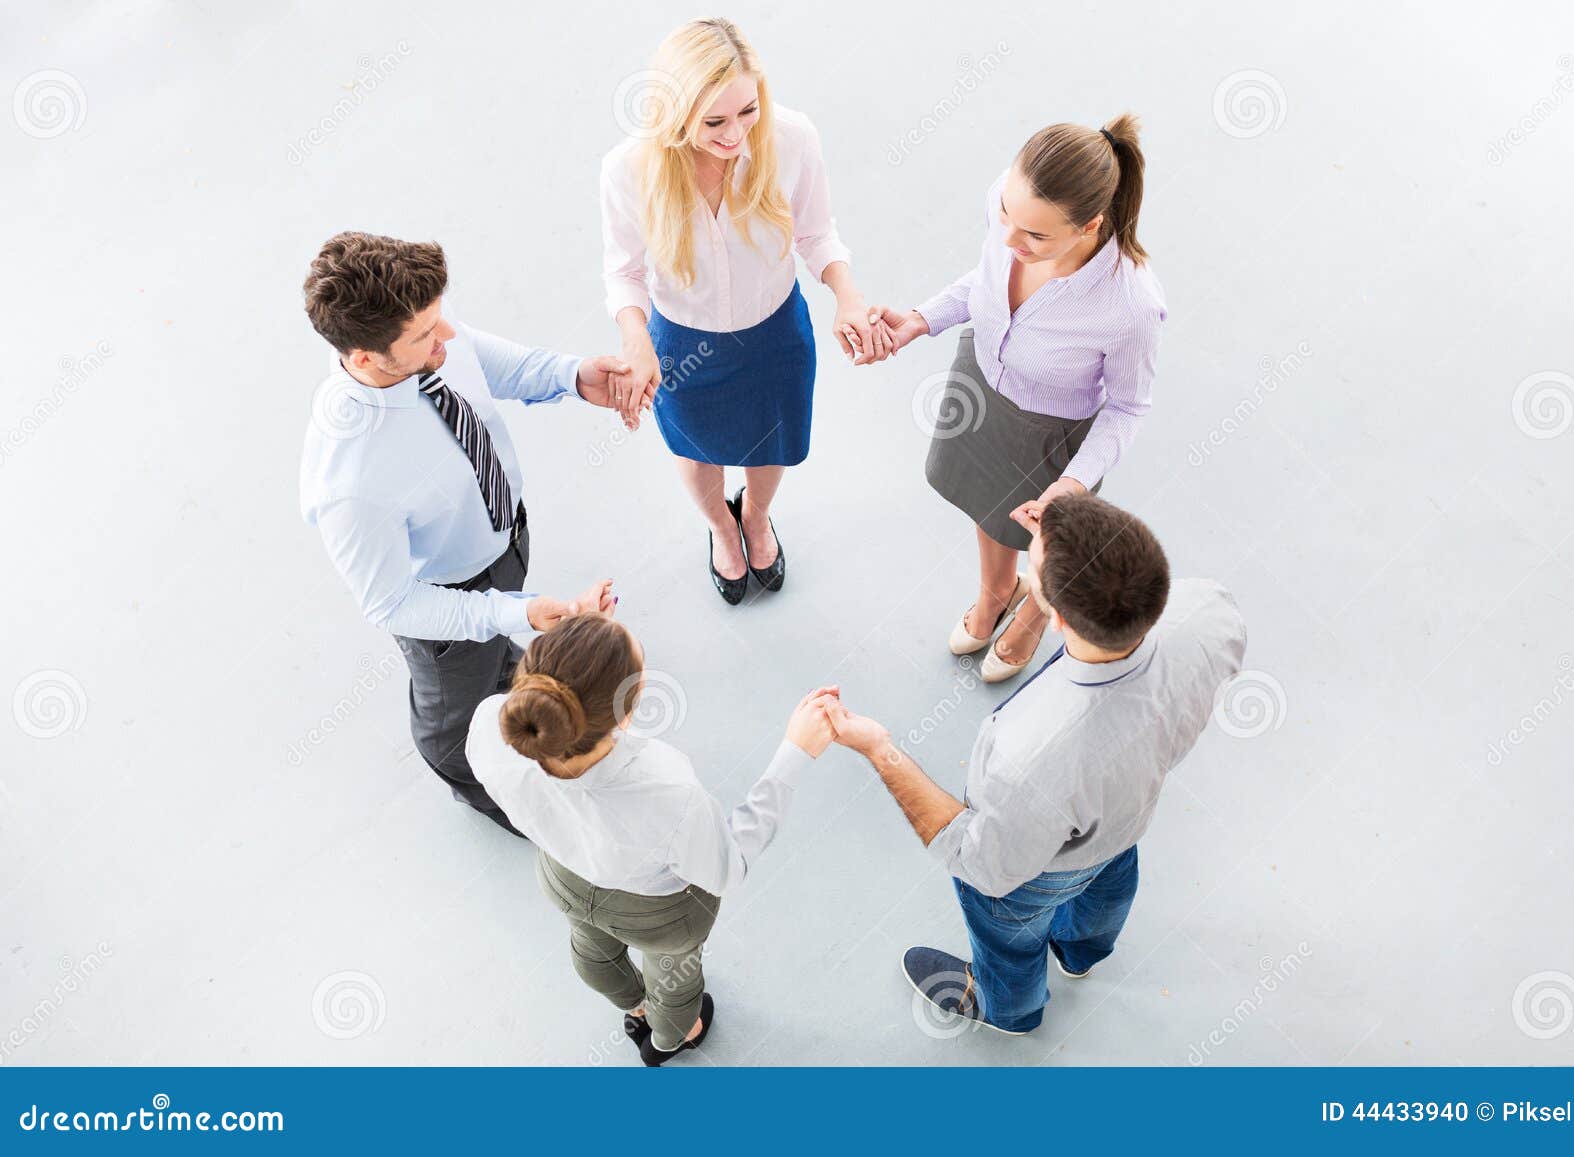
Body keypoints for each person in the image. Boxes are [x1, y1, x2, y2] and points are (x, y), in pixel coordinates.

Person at [819, 494, 1246, 1036]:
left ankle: (1011, 1010)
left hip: (1043, 869)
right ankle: (1081, 953)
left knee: (1007, 932)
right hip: (1126, 819)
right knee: (1110, 880)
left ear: (1056, 617)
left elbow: (984, 866)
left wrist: (880, 750)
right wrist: (1071, 538)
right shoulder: (1208, 607)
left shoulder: (1033, 752)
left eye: (1033, 563)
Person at [299, 231, 624, 836]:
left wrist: (575, 377)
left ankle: (508, 671)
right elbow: (392, 602)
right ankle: (503, 797)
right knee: (453, 725)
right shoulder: (350, 481)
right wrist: (509, 613)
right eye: (425, 334)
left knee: (504, 657)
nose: (447, 336)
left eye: (440, 319)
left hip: (503, 541)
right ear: (366, 357)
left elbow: (495, 363)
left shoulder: (426, 338)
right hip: (448, 602)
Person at [601, 17, 893, 605]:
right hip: (680, 341)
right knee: (695, 448)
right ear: (676, 113)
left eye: (748, 111)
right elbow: (624, 271)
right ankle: (720, 528)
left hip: (774, 332)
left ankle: (756, 518)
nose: (736, 134)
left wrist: (849, 296)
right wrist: (636, 341)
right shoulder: (628, 168)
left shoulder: (792, 137)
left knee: (771, 440)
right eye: (714, 121)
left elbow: (817, 234)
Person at [465, 613, 836, 1064]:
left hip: (563, 876)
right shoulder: (666, 789)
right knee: (673, 975)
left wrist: (586, 650)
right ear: (628, 710)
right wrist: (794, 754)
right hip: (656, 912)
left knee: (590, 946)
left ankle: (632, 1006)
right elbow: (727, 869)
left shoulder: (490, 724)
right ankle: (669, 1038)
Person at [879, 116, 1167, 682]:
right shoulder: (1010, 207)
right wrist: (921, 319)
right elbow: (983, 282)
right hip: (982, 383)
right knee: (987, 508)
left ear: (1090, 226)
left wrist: (1073, 482)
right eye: (1006, 215)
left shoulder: (1130, 304)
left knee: (1042, 536)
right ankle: (996, 593)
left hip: (1050, 433)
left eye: (1035, 237)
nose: (1010, 238)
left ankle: (1035, 611)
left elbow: (1128, 408)